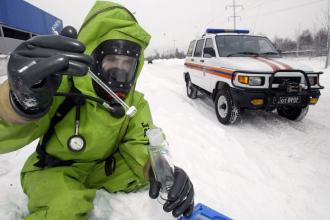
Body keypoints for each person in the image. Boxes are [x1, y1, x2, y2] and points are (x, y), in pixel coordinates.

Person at [0, 1, 194, 219]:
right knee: (63, 207)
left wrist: (164, 171)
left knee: (147, 176)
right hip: (55, 169)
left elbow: (142, 142)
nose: (120, 72)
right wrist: (21, 101)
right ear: (93, 57)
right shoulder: (59, 88)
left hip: (103, 169)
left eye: (127, 62)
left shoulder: (134, 104)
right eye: (111, 59)